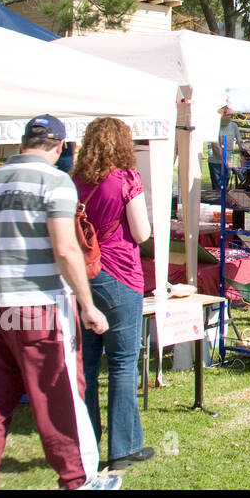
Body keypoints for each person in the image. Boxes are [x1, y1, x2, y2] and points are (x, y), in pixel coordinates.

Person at [0, 115, 118, 490]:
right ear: (59, 147)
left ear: (22, 144)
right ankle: (80, 479)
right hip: (39, 305)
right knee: (60, 397)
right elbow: (66, 248)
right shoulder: (55, 182)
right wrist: (88, 305)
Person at [72, 117, 155, 470]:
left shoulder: (73, 182)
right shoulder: (125, 180)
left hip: (81, 275)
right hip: (118, 273)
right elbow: (141, 233)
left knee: (88, 364)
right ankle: (124, 448)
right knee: (122, 363)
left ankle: (88, 443)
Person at [208, 106, 241, 191]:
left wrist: (245, 155)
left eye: (233, 115)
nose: (231, 118)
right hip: (216, 162)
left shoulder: (234, 126)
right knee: (218, 190)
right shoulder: (214, 126)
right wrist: (226, 161)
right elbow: (215, 146)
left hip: (228, 163)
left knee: (226, 188)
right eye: (230, 115)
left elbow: (240, 143)